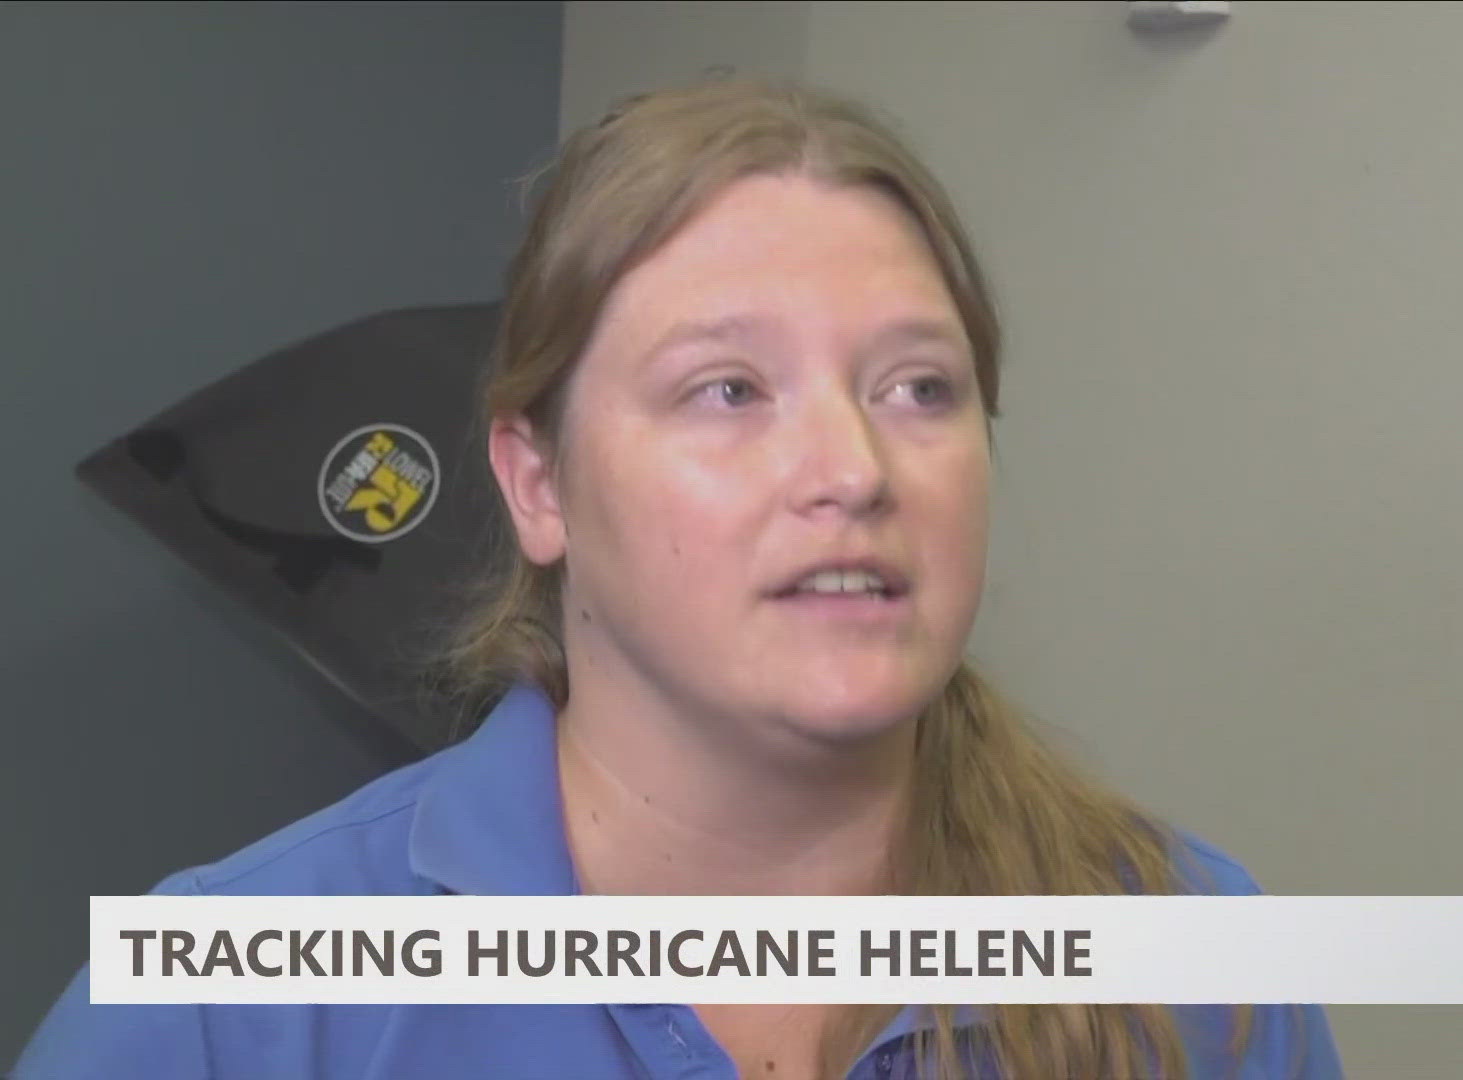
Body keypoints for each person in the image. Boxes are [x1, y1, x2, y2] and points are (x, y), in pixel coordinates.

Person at [14, 81, 1343, 1079]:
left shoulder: (1195, 964)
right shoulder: (227, 1004)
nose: (853, 467)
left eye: (918, 389)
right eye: (728, 389)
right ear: (538, 483)